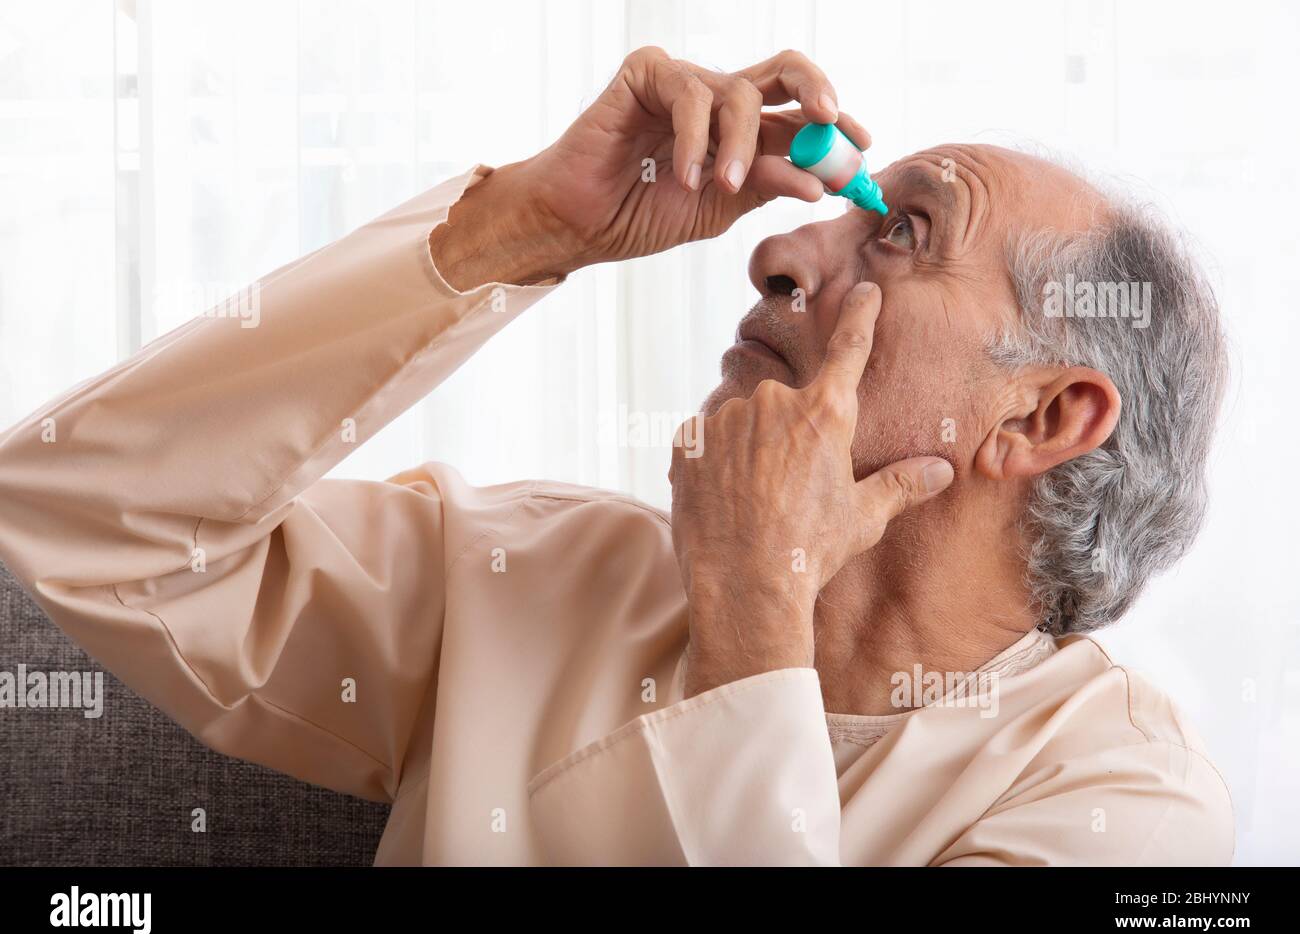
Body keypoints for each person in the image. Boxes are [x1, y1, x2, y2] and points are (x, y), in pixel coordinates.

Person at [0, 48, 1232, 865]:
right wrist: (526, 223)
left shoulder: (1125, 803)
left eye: (904, 233)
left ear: (1046, 418)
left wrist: (756, 619)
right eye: (841, 211)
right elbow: (77, 517)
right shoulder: (524, 572)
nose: (780, 254)